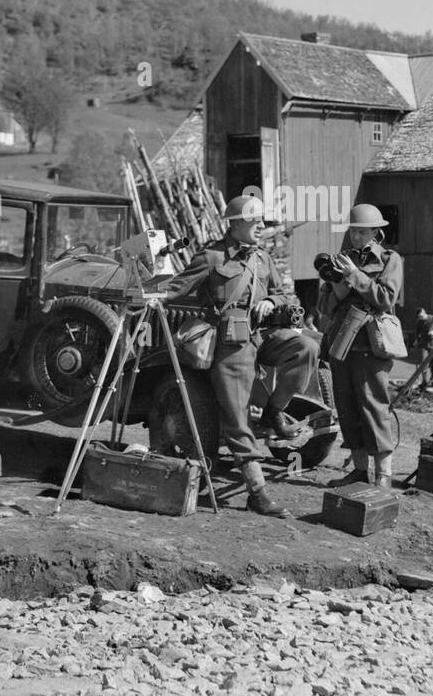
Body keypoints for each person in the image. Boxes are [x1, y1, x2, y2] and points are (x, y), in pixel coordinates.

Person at [162, 195, 317, 519]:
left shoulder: (262, 257)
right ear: (234, 224)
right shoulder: (212, 256)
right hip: (231, 344)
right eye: (254, 221)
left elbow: (286, 292)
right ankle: (257, 492)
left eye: (262, 220)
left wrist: (272, 301)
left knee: (307, 349)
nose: (261, 226)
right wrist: (145, 294)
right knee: (238, 418)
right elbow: (176, 287)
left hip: (263, 336)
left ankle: (274, 412)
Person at [317, 203, 404, 490]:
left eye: (362, 231)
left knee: (373, 407)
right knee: (348, 407)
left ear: (376, 232)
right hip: (342, 344)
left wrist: (355, 275)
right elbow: (324, 307)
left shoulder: (390, 260)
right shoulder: (340, 260)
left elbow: (386, 299)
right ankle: (359, 470)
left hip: (370, 345)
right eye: (353, 231)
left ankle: (384, 475)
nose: (355, 236)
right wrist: (339, 287)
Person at [412, 306, 433, 388]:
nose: (420, 318)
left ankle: (431, 379)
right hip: (424, 344)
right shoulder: (419, 322)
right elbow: (417, 333)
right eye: (419, 317)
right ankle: (424, 381)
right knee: (423, 362)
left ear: (425, 313)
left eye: (421, 316)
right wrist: (416, 341)